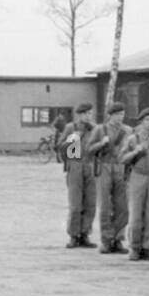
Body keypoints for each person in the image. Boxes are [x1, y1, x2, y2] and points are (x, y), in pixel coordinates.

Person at [89, 102, 132, 254]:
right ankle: (106, 240)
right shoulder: (100, 129)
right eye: (117, 114)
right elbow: (89, 149)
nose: (120, 117)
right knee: (105, 206)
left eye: (122, 114)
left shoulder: (128, 131)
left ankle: (118, 238)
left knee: (122, 206)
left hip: (121, 167)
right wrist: (102, 143)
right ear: (110, 116)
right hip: (105, 167)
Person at [121, 107, 149, 262]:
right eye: (147, 120)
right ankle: (135, 247)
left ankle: (148, 247)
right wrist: (135, 152)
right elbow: (122, 158)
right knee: (136, 214)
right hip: (137, 176)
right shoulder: (133, 139)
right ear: (141, 122)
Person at [62, 103, 97, 248]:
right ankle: (73, 235)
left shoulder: (95, 129)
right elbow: (60, 146)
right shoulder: (71, 128)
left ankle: (85, 234)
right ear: (80, 115)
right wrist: (74, 139)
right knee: (75, 204)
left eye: (90, 114)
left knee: (90, 203)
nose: (88, 116)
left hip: (90, 165)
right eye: (86, 114)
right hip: (75, 163)